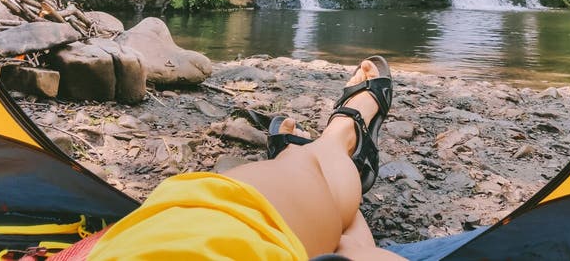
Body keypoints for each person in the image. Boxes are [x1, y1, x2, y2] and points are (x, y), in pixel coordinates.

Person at [84, 56, 400, 261]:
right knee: (305, 165)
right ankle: (343, 134)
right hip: (211, 235)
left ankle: (339, 179)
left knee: (349, 240)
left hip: (163, 241)